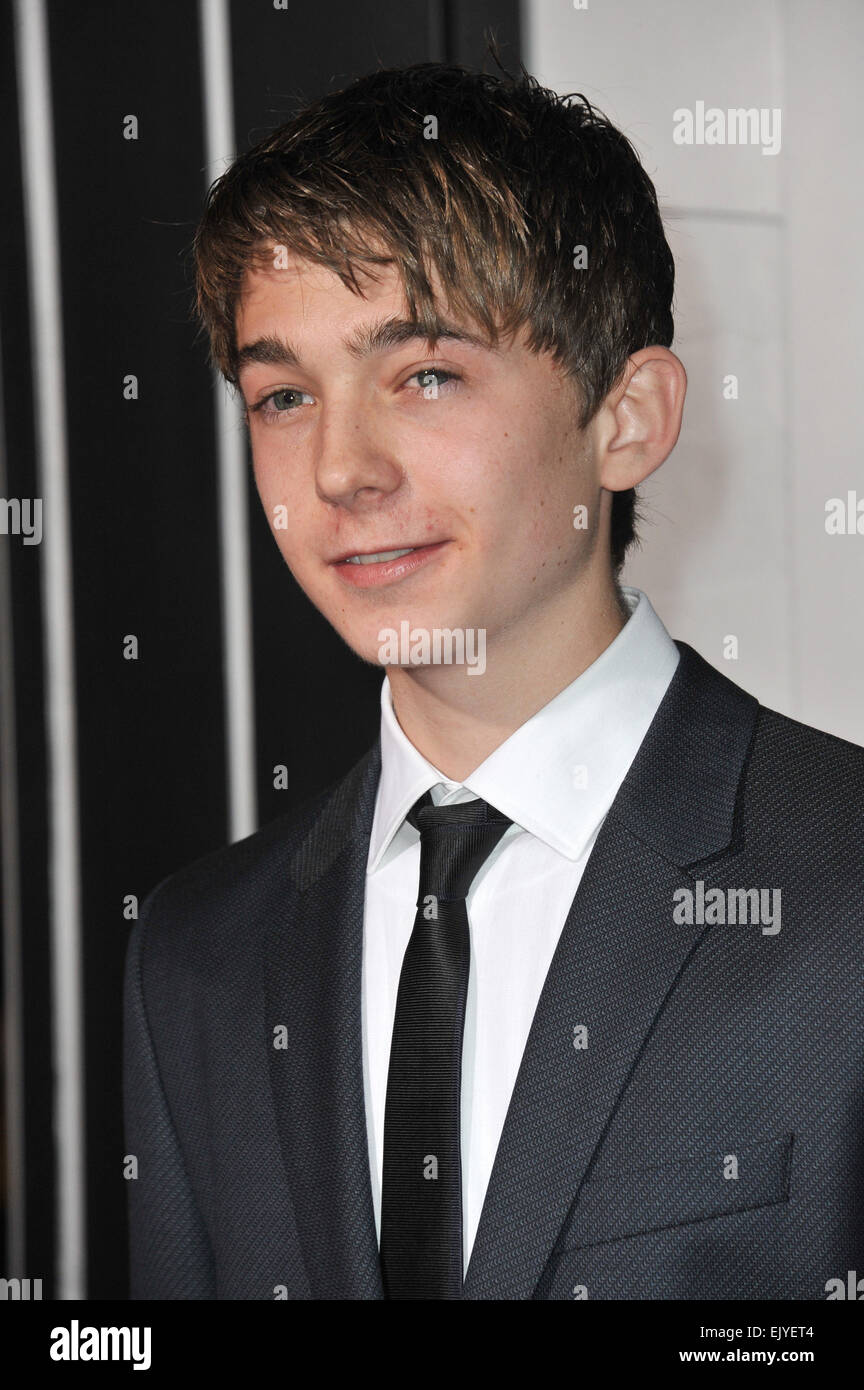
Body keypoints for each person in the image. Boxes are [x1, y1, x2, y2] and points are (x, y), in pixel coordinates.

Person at [123, 59, 864, 1300]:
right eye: (284, 394)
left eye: (424, 375)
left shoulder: (839, 888)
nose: (339, 469)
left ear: (625, 418)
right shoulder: (198, 956)